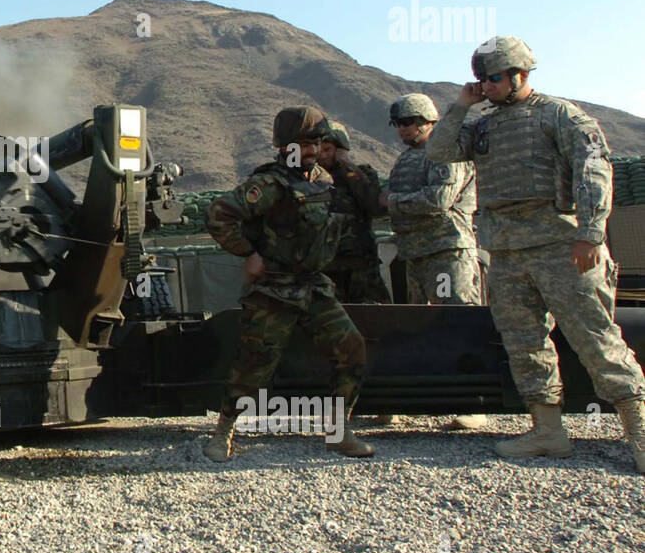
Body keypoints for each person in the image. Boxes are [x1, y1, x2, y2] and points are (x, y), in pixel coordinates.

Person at [426, 36, 645, 471]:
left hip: (562, 247)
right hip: (507, 252)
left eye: (491, 78)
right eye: (480, 79)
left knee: (595, 337)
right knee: (525, 343)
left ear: (518, 75)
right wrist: (460, 107)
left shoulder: (558, 115)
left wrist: (590, 233)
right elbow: (439, 151)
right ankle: (548, 431)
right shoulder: (483, 124)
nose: (485, 86)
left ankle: (638, 430)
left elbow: (594, 171)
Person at [203, 106, 373, 461]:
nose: (312, 149)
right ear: (285, 146)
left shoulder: (323, 181)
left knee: (352, 349)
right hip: (273, 290)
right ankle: (223, 432)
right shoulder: (268, 184)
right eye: (305, 142)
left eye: (316, 141)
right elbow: (219, 214)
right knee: (253, 366)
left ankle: (339, 431)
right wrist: (248, 253)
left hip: (313, 286)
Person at [382, 94, 480, 305]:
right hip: (414, 252)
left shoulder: (445, 153)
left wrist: (393, 201)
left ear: (427, 121)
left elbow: (439, 199)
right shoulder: (405, 158)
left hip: (445, 253)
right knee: (421, 322)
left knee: (453, 316)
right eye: (397, 124)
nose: (402, 129)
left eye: (407, 122)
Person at [317, 121, 391, 303]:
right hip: (326, 266)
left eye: (328, 149)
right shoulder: (310, 180)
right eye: (319, 150)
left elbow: (374, 205)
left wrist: (346, 165)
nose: (323, 156)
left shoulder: (361, 174)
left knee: (375, 317)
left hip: (361, 264)